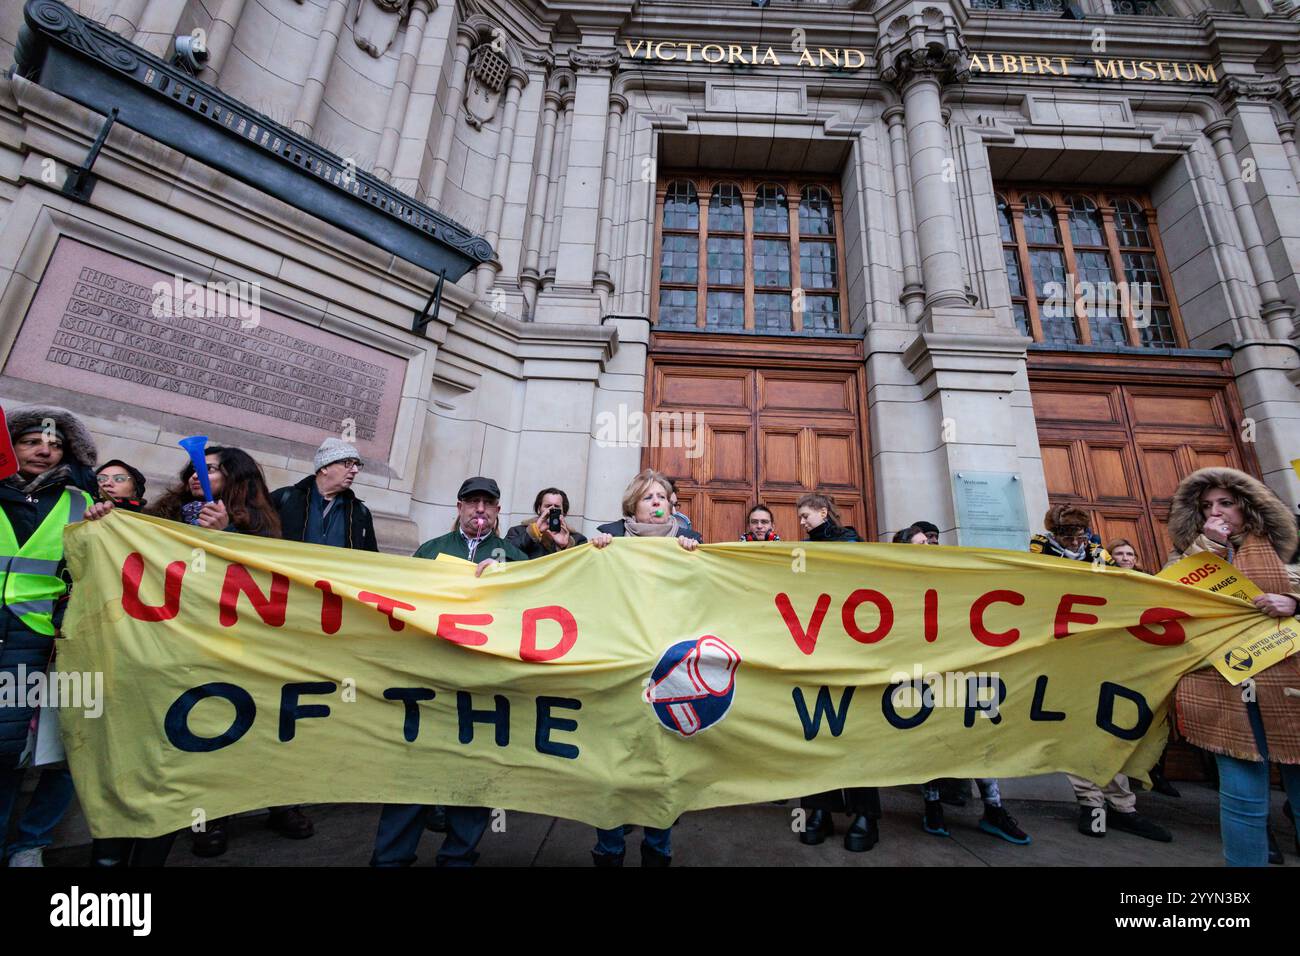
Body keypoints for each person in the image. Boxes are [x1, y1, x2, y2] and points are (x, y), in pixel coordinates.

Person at [147, 445, 310, 855]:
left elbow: (266, 575)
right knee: (202, 728)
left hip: (241, 644)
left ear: (235, 480)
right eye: (196, 470)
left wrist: (228, 537)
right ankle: (208, 815)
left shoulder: (261, 526)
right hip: (183, 639)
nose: (198, 477)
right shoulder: (162, 518)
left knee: (257, 726)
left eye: (213, 470)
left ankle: (276, 801)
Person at [370, 476, 528, 867]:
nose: (480, 510)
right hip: (429, 679)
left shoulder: (514, 557)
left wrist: (507, 577)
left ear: (497, 510)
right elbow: (402, 603)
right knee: (413, 768)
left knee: (472, 775)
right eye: (472, 502)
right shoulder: (431, 550)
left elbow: (530, 610)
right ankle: (391, 856)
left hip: (482, 684)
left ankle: (457, 855)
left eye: (487, 503)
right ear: (458, 508)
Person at [1164, 467, 1300, 866]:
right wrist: (1210, 548)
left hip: (1288, 679)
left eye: (1225, 503)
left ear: (1248, 503)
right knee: (1242, 799)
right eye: (1206, 506)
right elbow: (1175, 600)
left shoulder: (1287, 544)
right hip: (1223, 683)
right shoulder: (1189, 552)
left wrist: (1294, 604)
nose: (1216, 512)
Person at [1028, 506, 1171, 842]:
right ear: (1056, 533)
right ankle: (1091, 803)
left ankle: (1122, 805)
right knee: (1078, 727)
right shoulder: (1039, 551)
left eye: (1079, 533)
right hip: (1063, 654)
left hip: (1105, 652)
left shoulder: (1098, 553)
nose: (1075, 540)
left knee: (1111, 724)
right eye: (1068, 534)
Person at [586, 469, 702, 866]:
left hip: (668, 673)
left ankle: (657, 849)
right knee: (612, 767)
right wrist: (595, 551)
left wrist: (695, 559)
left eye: (663, 496)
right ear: (632, 505)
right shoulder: (607, 540)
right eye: (648, 497)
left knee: (661, 766)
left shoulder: (692, 545)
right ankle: (610, 849)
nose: (657, 502)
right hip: (618, 669)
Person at [0, 406, 98, 867]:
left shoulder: (81, 504)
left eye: (55, 444)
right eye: (32, 441)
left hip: (38, 642)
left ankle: (26, 847)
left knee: (17, 749)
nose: (44, 450)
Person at [896, 522, 1031, 845]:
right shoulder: (898, 585)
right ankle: (932, 805)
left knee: (978, 736)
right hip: (923, 672)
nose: (928, 547)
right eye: (919, 545)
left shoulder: (956, 576)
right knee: (930, 738)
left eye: (929, 542)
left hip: (963, 669)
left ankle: (994, 809)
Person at [792, 492, 881, 852]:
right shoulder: (800, 552)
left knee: (854, 732)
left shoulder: (852, 543)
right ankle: (818, 810)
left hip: (851, 651)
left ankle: (866, 815)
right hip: (815, 651)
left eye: (805, 515)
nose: (801, 522)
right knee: (815, 729)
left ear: (824, 512)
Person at [1106, 537, 1181, 800]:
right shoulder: (1103, 581)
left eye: (1130, 554)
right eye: (1119, 553)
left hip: (1151, 656)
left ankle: (1155, 771)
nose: (1126, 558)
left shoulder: (1151, 582)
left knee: (1157, 715)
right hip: (1120, 658)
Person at [271, 438, 378, 551]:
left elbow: (371, 556)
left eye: (356, 464)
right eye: (348, 463)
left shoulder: (360, 512)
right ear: (324, 467)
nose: (355, 470)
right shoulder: (284, 498)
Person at [505, 487, 587, 558]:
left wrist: (565, 546)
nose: (551, 510)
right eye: (547, 506)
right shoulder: (517, 532)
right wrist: (533, 533)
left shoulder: (578, 539)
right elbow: (504, 552)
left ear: (564, 511)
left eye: (557, 506)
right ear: (539, 509)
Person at [1030, 504, 1114, 565]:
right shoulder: (1043, 547)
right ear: (1055, 536)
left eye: (1081, 538)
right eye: (1068, 539)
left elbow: (1112, 575)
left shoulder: (1096, 551)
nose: (1075, 543)